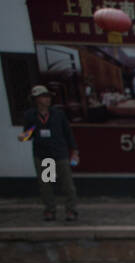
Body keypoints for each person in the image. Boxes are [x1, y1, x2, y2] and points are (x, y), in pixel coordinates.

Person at [20, 85, 78, 222]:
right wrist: (24, 136)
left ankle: (71, 210)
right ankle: (50, 210)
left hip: (59, 153)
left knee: (67, 184)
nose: (47, 99)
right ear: (36, 99)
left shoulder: (58, 114)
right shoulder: (31, 115)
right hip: (44, 154)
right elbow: (29, 133)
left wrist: (74, 150)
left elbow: (67, 133)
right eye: (43, 97)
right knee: (47, 184)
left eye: (48, 96)